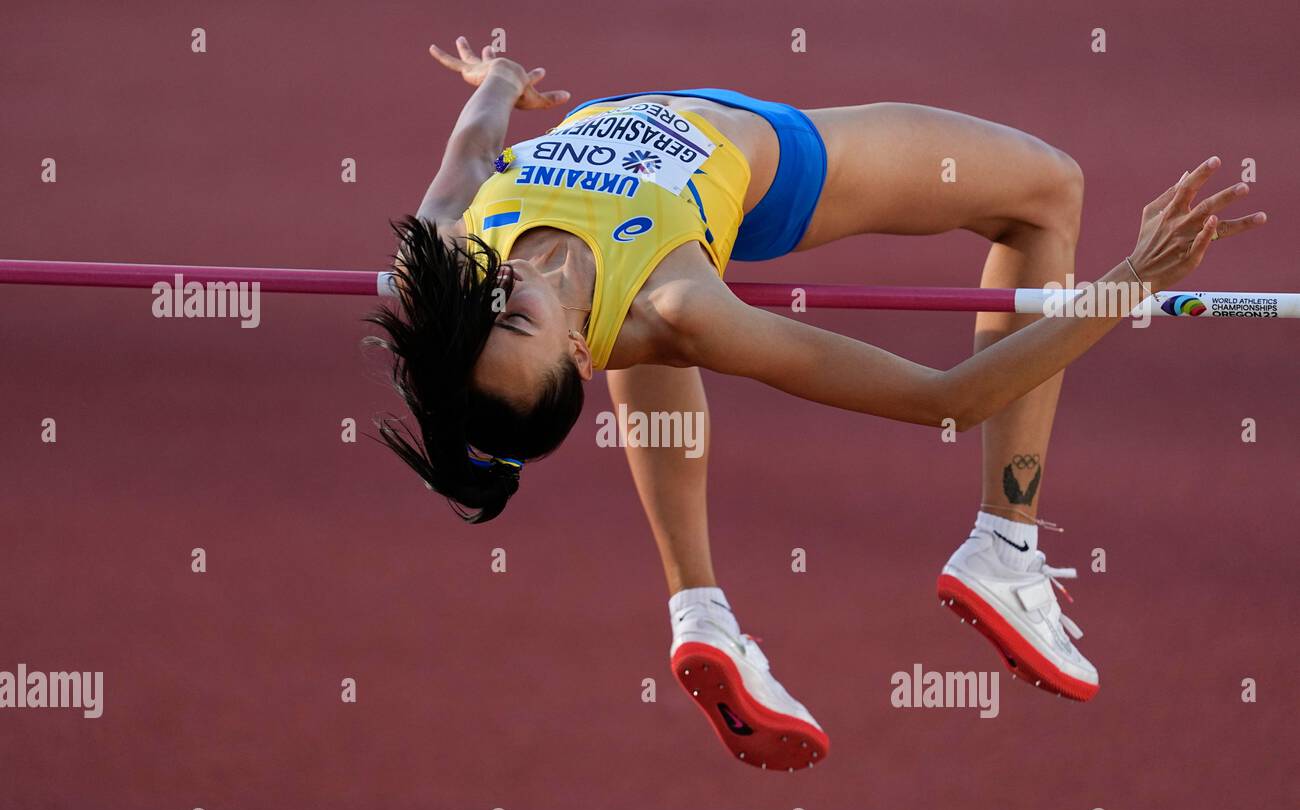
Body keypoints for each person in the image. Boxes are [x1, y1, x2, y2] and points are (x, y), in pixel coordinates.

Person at [364, 37, 1265, 770]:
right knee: (1047, 190)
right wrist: (1128, 280)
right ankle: (1006, 544)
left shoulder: (445, 261)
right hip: (770, 162)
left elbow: (477, 148)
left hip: (656, 162)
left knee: (648, 326)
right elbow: (943, 399)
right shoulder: (678, 303)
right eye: (514, 319)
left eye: (484, 305)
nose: (501, 287)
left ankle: (702, 614)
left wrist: (502, 81)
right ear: (571, 352)